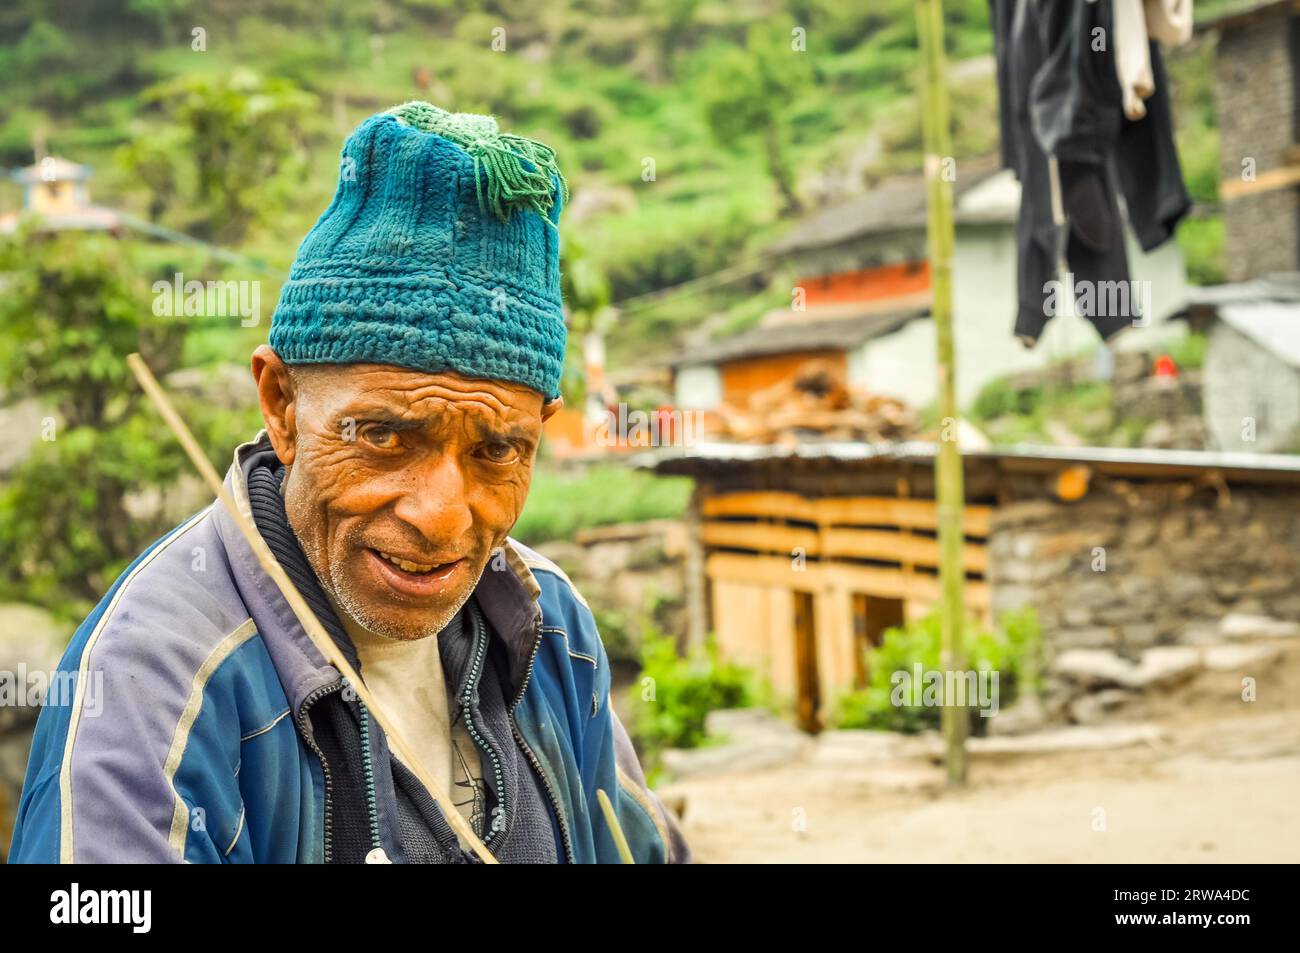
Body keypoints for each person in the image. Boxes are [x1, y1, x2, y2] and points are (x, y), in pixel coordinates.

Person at [9, 102, 689, 864]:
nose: (439, 517)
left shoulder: (551, 624)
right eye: (385, 435)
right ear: (282, 405)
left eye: (498, 449)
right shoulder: (156, 678)